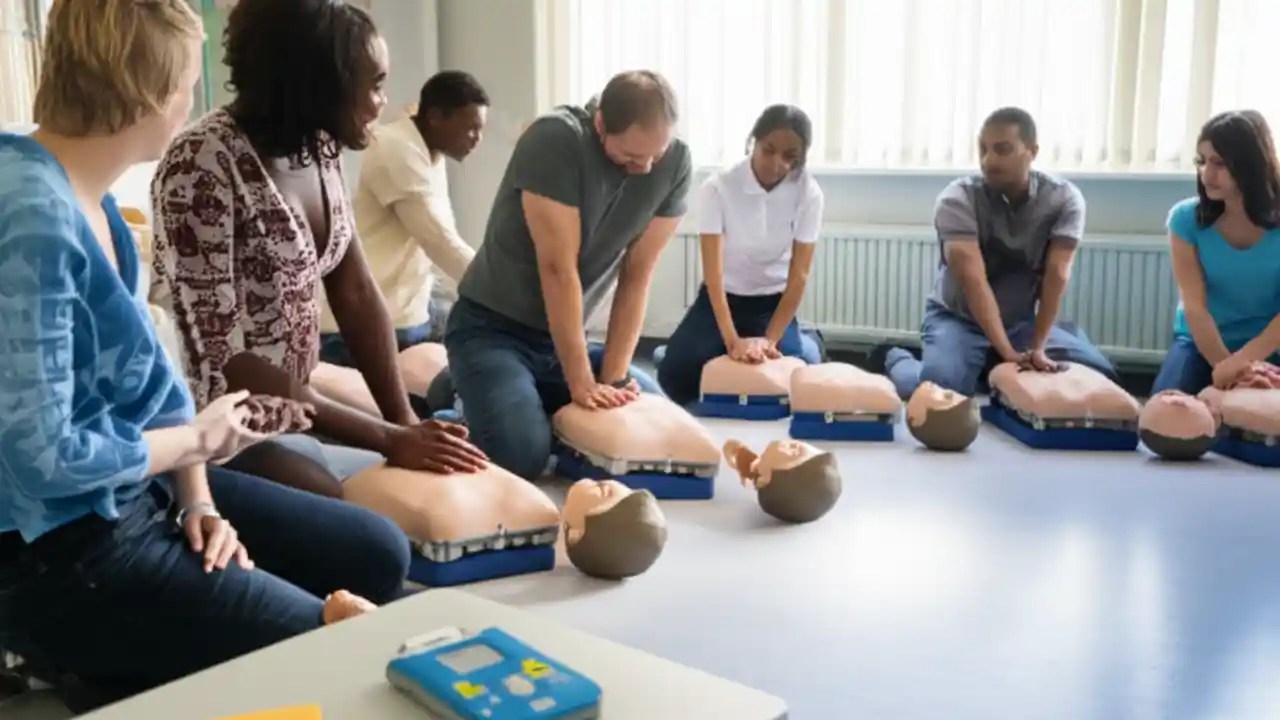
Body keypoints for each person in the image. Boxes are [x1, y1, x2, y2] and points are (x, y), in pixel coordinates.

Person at [0, 0, 409, 708]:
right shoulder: (34, 218)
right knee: (341, 657)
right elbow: (45, 459)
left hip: (138, 489)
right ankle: (97, 661)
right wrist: (195, 441)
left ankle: (126, 665)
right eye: (189, 82)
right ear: (147, 91)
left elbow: (151, 387)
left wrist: (199, 498)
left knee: (376, 553)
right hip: (63, 551)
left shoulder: (90, 202)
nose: (193, 102)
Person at [150, 0, 487, 498]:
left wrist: (404, 423)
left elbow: (356, 292)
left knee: (439, 461)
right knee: (350, 514)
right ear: (318, 82)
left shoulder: (318, 148)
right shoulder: (200, 165)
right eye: (374, 84)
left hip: (297, 408)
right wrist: (388, 439)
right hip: (221, 429)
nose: (383, 102)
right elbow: (226, 360)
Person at [444, 70, 692, 480]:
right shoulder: (555, 139)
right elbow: (558, 269)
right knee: (521, 455)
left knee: (654, 426)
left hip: (562, 338)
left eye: (656, 155)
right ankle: (459, 389)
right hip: (492, 329)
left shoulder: (676, 162)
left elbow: (637, 275)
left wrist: (613, 380)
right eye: (631, 156)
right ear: (600, 123)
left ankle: (517, 396)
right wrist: (581, 385)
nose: (645, 167)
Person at [880, 107, 1117, 399]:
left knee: (1098, 375)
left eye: (1002, 150)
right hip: (959, 319)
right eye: (983, 149)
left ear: (1032, 151)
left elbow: (1057, 274)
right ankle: (899, 359)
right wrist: (1008, 353)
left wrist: (1038, 347)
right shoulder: (957, 199)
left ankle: (991, 363)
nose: (988, 160)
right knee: (939, 391)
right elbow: (973, 281)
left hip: (1020, 322)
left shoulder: (1063, 199)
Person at [657, 104, 825, 406]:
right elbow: (714, 274)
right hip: (723, 297)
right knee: (674, 375)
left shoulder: (808, 192)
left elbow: (799, 276)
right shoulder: (718, 187)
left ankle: (806, 340)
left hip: (772, 301)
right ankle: (680, 349)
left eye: (790, 156)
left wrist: (770, 342)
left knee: (795, 374)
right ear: (754, 141)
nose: (777, 164)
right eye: (768, 150)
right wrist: (732, 341)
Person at [318, 70, 489, 366]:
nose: (477, 139)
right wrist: (503, 294)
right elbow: (440, 242)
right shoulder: (396, 149)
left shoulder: (429, 149)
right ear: (435, 117)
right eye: (469, 129)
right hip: (369, 325)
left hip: (408, 309)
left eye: (480, 129)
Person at [1151, 110, 1280, 394]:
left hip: (1270, 342)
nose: (1206, 174)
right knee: (1165, 408)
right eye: (1202, 161)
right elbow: (1194, 307)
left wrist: (1243, 362)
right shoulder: (1185, 219)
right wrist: (1226, 368)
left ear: (1251, 164)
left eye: (1219, 163)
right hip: (1202, 343)